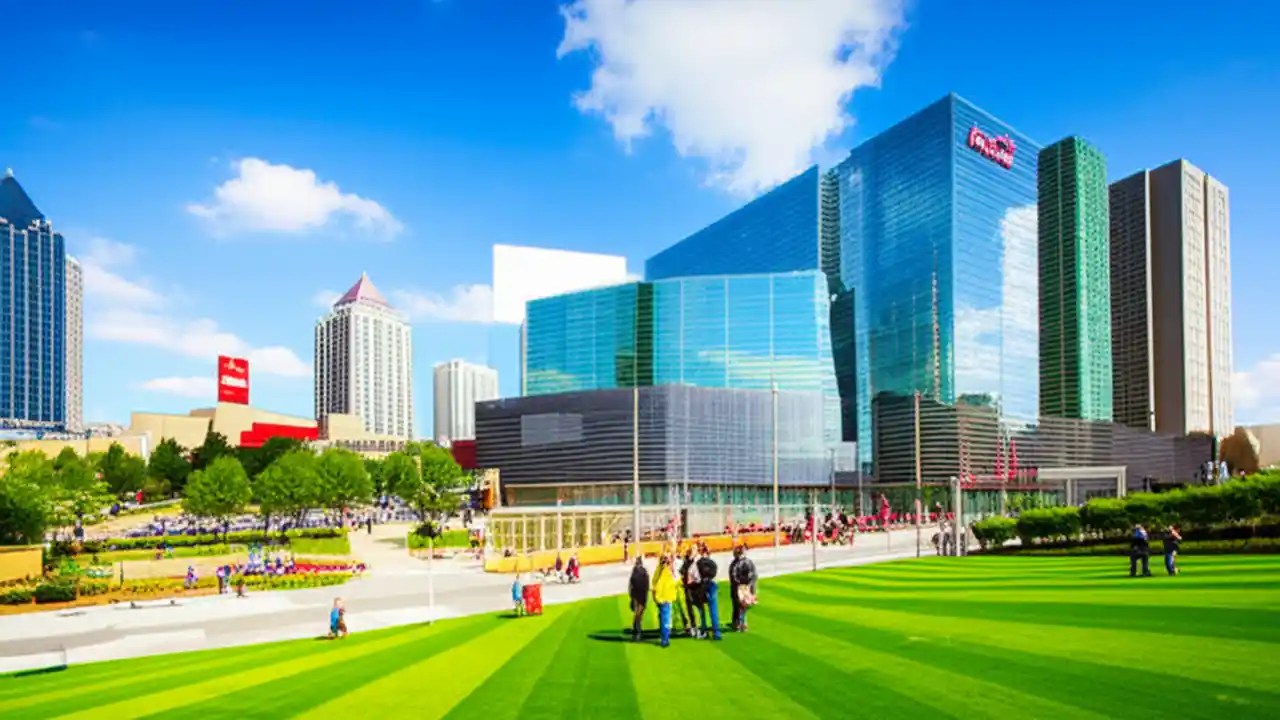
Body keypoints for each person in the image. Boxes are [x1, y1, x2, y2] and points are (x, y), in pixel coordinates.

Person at [652, 555, 679, 648]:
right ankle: (665, 639)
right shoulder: (666, 573)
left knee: (662, 618)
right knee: (666, 619)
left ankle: (664, 636)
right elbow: (661, 585)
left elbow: (654, 583)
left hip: (662, 598)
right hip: (665, 599)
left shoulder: (659, 570)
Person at [696, 547, 721, 640]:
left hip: (702, 586)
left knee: (701, 610)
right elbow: (715, 575)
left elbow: (696, 576)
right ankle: (716, 632)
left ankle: (704, 630)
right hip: (711, 585)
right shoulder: (712, 563)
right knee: (713, 610)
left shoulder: (699, 563)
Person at [731, 546, 758, 632]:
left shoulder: (735, 563)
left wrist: (741, 584)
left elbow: (733, 577)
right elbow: (753, 576)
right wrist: (752, 588)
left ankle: (739, 624)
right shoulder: (749, 562)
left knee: (739, 606)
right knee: (743, 606)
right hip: (746, 587)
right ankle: (742, 623)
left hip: (739, 588)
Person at [681, 549, 704, 638]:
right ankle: (696, 628)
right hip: (692, 589)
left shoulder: (690, 563)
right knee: (694, 609)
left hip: (691, 588)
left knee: (693, 609)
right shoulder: (690, 563)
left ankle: (695, 627)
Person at [628, 557, 649, 642]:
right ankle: (638, 631)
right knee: (639, 615)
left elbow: (630, 586)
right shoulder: (645, 572)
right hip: (642, 596)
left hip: (636, 596)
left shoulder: (634, 572)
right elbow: (647, 586)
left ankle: (636, 630)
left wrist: (631, 596)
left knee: (637, 614)